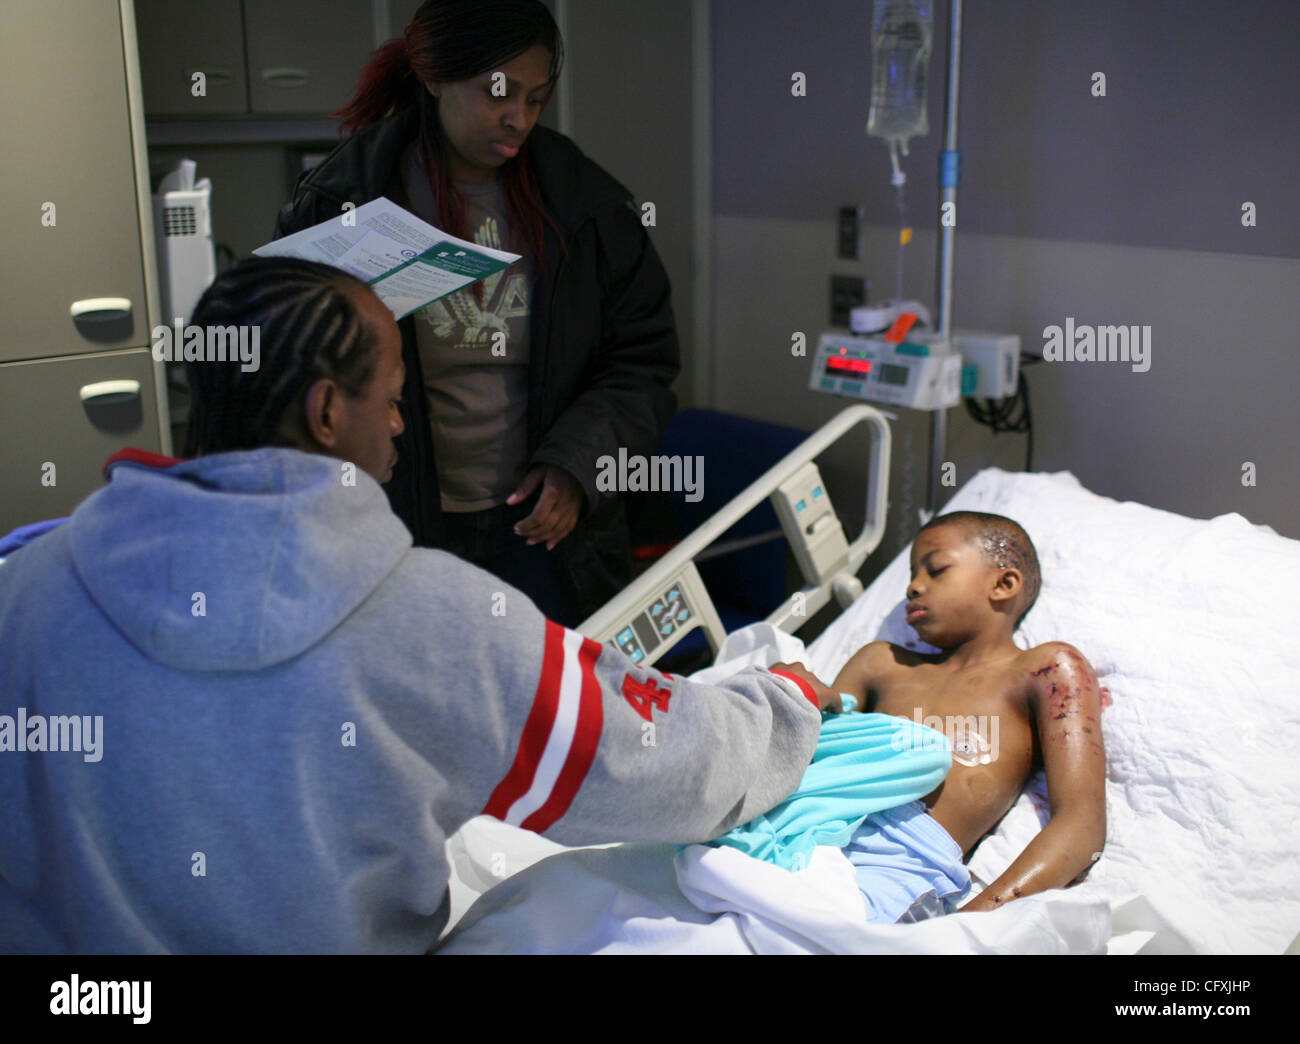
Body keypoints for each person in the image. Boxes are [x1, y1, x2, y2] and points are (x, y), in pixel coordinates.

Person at [0, 258, 840, 954]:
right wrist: (784, 704)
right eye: (393, 397)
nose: (401, 425)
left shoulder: (28, 583)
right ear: (328, 413)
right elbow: (663, 764)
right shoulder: (436, 623)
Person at [273, 0, 679, 626]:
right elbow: (286, 369)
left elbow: (642, 363)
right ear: (435, 78)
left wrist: (578, 465)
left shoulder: (587, 208)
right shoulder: (341, 201)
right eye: (498, 93)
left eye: (536, 99)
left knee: (540, 684)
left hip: (539, 528)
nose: (520, 119)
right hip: (395, 523)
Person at [829, 511, 1107, 920]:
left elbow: (1082, 826)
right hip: (806, 833)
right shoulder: (880, 663)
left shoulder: (1044, 669)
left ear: (1003, 584)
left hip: (893, 872)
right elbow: (809, 746)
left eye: (936, 568)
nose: (913, 586)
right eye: (911, 574)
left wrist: (969, 924)